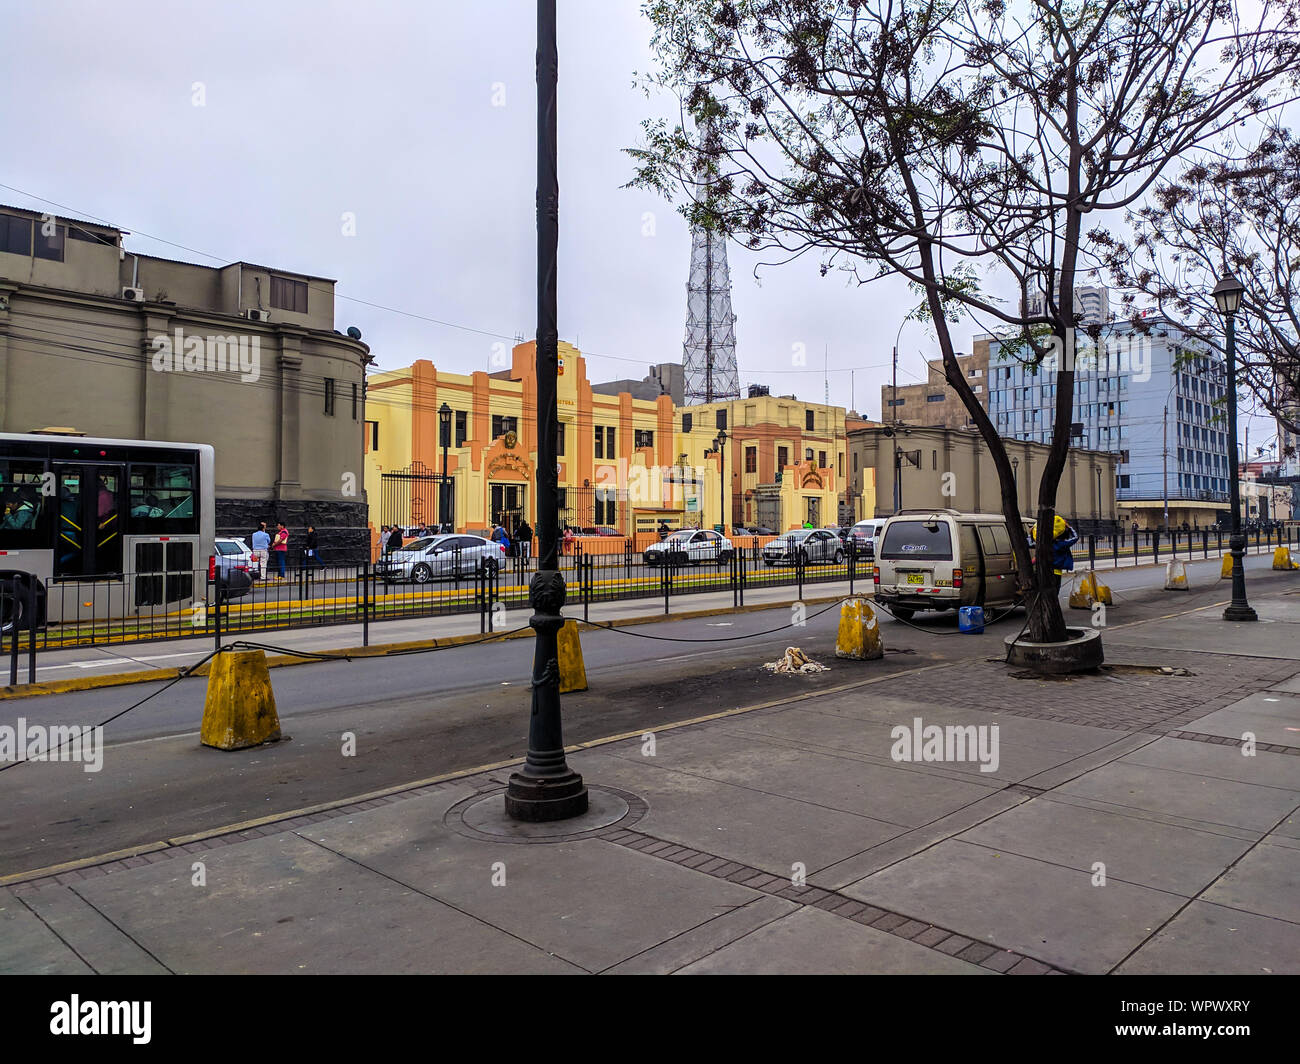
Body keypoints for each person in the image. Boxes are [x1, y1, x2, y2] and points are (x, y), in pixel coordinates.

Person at [1032, 514, 1078, 596]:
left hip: (1044, 571)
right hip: (1056, 572)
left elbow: (1029, 541)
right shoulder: (1060, 545)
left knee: (1044, 592)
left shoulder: (1041, 544)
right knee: (1054, 593)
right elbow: (1075, 537)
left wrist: (1032, 531)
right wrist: (1069, 527)